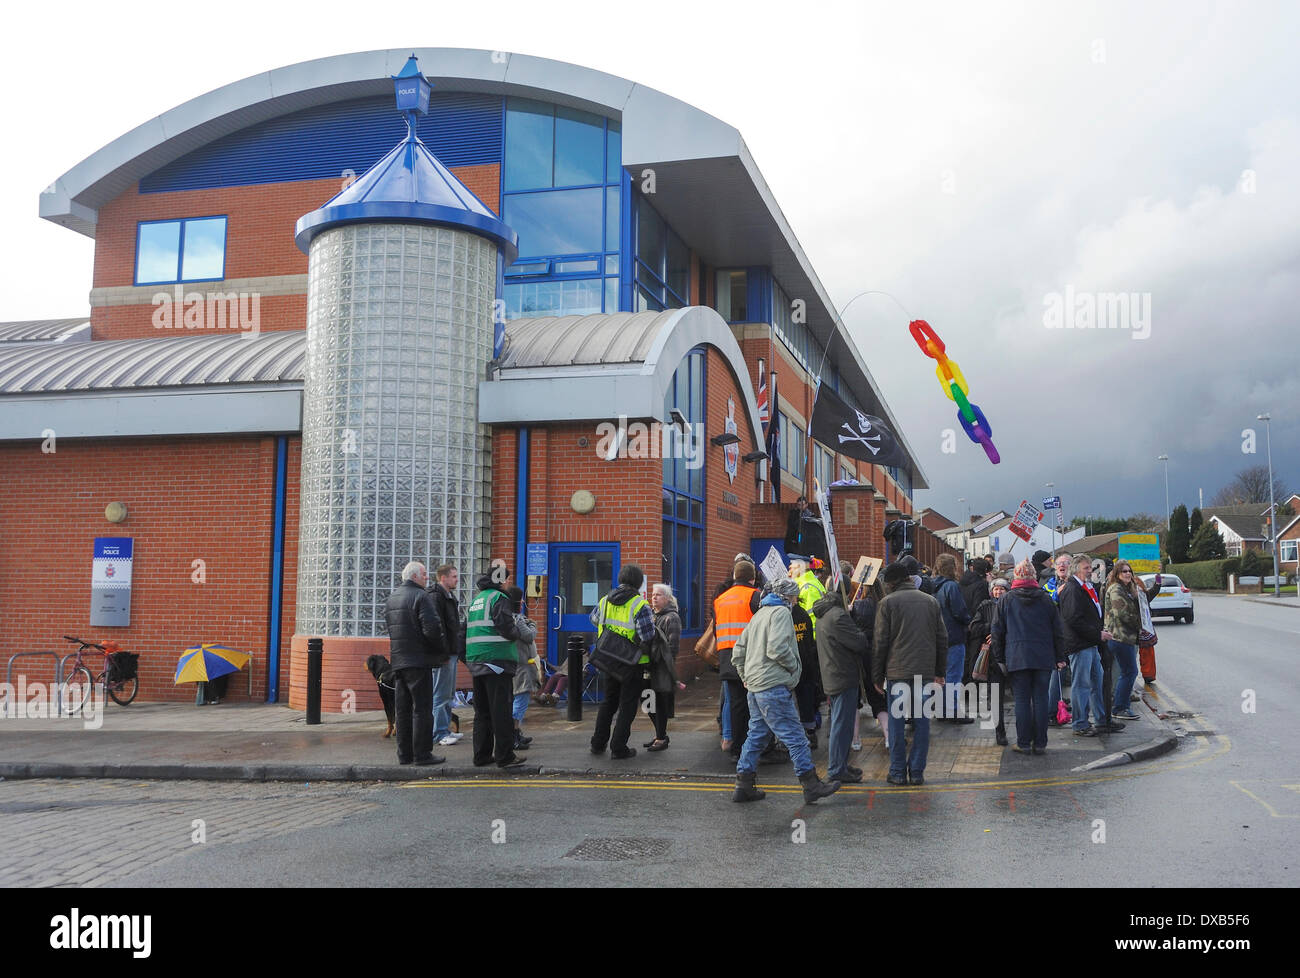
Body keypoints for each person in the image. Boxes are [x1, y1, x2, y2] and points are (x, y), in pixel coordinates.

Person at [730, 577, 842, 804]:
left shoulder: (759, 615)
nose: (795, 601)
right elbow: (777, 649)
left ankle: (743, 784)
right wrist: (795, 668)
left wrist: (745, 677)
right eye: (794, 597)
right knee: (796, 737)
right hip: (772, 686)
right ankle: (811, 785)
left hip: (755, 686)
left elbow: (737, 653)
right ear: (787, 597)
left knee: (757, 735)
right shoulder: (781, 613)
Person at [872, 561, 947, 786]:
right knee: (922, 722)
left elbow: (880, 643)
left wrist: (877, 676)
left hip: (896, 673)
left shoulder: (887, 603)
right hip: (924, 673)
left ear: (891, 583)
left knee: (896, 724)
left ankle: (896, 772)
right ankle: (916, 772)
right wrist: (939, 672)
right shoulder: (931, 602)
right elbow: (942, 639)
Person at [991, 560, 1066, 754]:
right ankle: (1040, 743)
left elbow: (997, 631)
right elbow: (1058, 630)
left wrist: (1000, 659)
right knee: (1041, 699)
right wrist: (1060, 656)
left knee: (1022, 701)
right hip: (1043, 656)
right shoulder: (1046, 599)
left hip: (1016, 657)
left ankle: (1023, 743)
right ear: (1033, 576)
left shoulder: (1006, 600)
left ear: (1016, 577)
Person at [383, 561, 449, 766]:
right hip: (418, 661)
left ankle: (404, 754)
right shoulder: (421, 596)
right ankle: (422, 754)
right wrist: (441, 650)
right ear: (414, 576)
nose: (427, 578)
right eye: (424, 574)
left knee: (402, 710)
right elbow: (432, 630)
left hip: (398, 661)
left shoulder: (393, 597)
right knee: (422, 709)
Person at [589, 564, 656, 760]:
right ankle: (618, 747)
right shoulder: (639, 604)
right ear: (638, 582)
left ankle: (597, 743)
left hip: (607, 660)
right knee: (627, 705)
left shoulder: (605, 601)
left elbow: (593, 619)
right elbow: (648, 635)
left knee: (608, 702)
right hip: (630, 662)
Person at [465, 567, 527, 768]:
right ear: (500, 580)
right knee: (501, 710)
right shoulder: (499, 598)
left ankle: (481, 755)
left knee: (482, 712)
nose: (509, 583)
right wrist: (517, 630)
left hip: (477, 660)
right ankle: (505, 755)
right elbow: (507, 629)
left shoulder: (477, 599)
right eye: (507, 579)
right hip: (496, 661)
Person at [1058, 555, 1123, 737]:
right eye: (1086, 568)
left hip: (1090, 644)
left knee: (1097, 682)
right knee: (1082, 685)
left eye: (1089, 568)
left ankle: (1102, 720)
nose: (1090, 571)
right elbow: (1073, 619)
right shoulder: (1072, 589)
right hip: (1080, 645)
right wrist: (1098, 634)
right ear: (1077, 569)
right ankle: (1080, 724)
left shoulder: (1083, 587)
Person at [812, 582, 868, 783]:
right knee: (841, 725)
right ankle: (836, 769)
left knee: (841, 723)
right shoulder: (838, 616)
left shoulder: (825, 614)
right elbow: (859, 642)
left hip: (833, 673)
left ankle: (841, 764)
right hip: (842, 675)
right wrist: (856, 625)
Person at [1103, 561, 1160, 722]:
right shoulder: (1116, 589)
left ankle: (1121, 706)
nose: (1128, 574)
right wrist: (1141, 624)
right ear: (1117, 574)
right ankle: (1120, 707)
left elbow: (1143, 602)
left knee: (1127, 672)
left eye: (1129, 571)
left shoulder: (1129, 589)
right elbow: (1122, 614)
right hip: (1119, 637)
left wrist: (1157, 583)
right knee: (1129, 672)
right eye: (1123, 572)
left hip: (1127, 637)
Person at [715, 561, 761, 759]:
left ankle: (736, 749)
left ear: (735, 576)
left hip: (727, 658)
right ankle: (752, 748)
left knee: (735, 704)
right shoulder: (755, 596)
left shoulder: (720, 599)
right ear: (752, 578)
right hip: (750, 658)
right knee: (754, 705)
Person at [966, 576, 1008, 745]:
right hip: (993, 658)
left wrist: (998, 633)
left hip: (1010, 654)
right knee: (996, 696)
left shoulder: (1011, 605)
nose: (998, 592)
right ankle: (1000, 732)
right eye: (996, 589)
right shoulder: (985, 606)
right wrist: (991, 629)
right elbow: (973, 627)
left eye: (1002, 589)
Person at [850, 576, 889, 748]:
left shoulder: (856, 607)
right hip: (880, 656)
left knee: (854, 701)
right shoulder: (885, 606)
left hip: (859, 657)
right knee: (879, 699)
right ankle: (889, 737)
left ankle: (855, 740)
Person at [932, 553, 973, 722]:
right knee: (953, 676)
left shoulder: (931, 586)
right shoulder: (951, 586)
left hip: (936, 637)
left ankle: (941, 710)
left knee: (940, 676)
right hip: (953, 636)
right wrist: (968, 621)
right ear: (953, 567)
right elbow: (959, 612)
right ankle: (953, 711)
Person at [428, 563, 465, 746]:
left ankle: (445, 729)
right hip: (443, 654)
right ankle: (439, 733)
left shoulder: (448, 596)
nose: (457, 579)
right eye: (454, 576)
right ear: (443, 578)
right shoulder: (436, 597)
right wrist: (442, 652)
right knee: (440, 695)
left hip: (450, 653)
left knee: (448, 694)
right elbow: (437, 628)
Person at [646, 582, 681, 751]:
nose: (654, 597)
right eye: (653, 594)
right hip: (649, 666)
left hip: (662, 667)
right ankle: (660, 733)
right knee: (647, 702)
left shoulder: (671, 618)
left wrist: (666, 665)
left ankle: (661, 737)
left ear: (667, 599)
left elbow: (672, 647)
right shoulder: (652, 616)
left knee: (659, 702)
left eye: (658, 594)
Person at [506, 586, 540, 752]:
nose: (523, 603)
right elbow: (529, 635)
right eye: (520, 600)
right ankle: (512, 736)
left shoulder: (513, 617)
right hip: (521, 666)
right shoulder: (517, 619)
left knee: (519, 701)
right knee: (520, 702)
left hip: (520, 664)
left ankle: (516, 733)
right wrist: (532, 625)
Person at [1042, 553, 1073, 721]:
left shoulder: (1078, 584)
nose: (1062, 565)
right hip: (1056, 636)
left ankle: (1067, 707)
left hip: (1076, 637)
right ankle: (1051, 711)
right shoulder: (1049, 585)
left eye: (1067, 563)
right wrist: (1057, 594)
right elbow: (1045, 605)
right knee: (1057, 673)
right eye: (1059, 563)